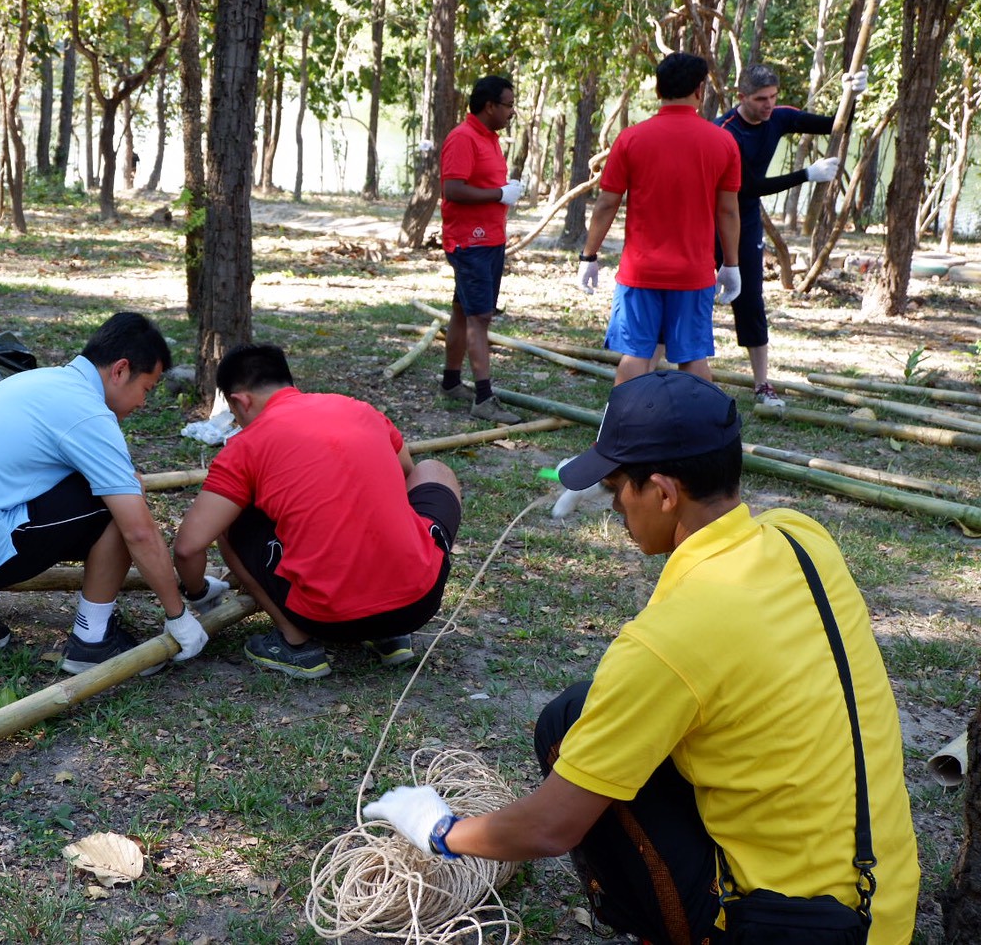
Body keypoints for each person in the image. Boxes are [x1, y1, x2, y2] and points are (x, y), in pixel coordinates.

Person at [365, 371, 918, 945]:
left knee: (570, 728)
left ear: (663, 492)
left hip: (787, 928)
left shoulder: (671, 639)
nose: (614, 508)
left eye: (615, 490)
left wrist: (439, 831)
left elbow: (553, 826)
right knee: (585, 710)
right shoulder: (803, 537)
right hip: (885, 905)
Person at [0, 312, 221, 673]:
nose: (143, 403)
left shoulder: (40, 382)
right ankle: (92, 641)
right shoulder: (87, 414)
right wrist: (177, 614)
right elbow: (138, 530)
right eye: (145, 389)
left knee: (94, 483)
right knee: (118, 503)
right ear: (120, 370)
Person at [172, 344, 462, 680]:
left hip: (327, 617)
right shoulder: (359, 409)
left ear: (240, 401)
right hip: (419, 603)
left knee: (227, 524)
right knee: (433, 471)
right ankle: (389, 634)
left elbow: (188, 546)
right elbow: (407, 473)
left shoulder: (245, 447)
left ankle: (293, 641)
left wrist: (196, 592)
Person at [577, 52, 742, 386]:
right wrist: (732, 264)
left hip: (641, 271)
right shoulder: (723, 141)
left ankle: (620, 432)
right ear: (700, 90)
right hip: (694, 272)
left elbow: (607, 203)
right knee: (693, 357)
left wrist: (589, 255)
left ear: (658, 90)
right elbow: (727, 210)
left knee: (636, 355)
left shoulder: (631, 139)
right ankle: (703, 436)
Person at [715, 64, 869, 407]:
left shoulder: (780, 117)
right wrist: (806, 175)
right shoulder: (726, 132)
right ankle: (656, 373)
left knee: (751, 299)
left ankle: (761, 384)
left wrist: (852, 95)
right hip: (710, 218)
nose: (768, 105)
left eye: (773, 97)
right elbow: (748, 187)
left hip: (747, 221)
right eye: (760, 99)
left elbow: (836, 125)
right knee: (690, 295)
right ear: (742, 98)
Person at [436, 75, 524, 424]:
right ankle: (484, 398)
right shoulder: (462, 138)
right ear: (490, 106)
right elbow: (453, 190)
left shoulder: (490, 139)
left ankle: (451, 382)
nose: (511, 111)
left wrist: (504, 189)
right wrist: (498, 194)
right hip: (470, 242)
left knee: (462, 310)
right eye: (508, 105)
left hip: (490, 239)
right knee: (480, 317)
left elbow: (481, 182)